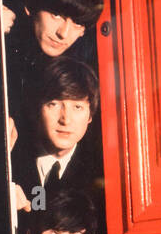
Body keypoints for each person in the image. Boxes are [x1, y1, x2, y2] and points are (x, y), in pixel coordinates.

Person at [10, 56, 101, 225]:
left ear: (90, 115)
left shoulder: (99, 172)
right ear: (37, 109)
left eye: (77, 107)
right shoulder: (11, 156)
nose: (65, 119)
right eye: (54, 104)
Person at [6, 0, 103, 116]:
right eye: (56, 15)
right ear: (30, 6)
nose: (63, 33)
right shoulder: (4, 44)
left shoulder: (80, 72)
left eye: (77, 23)